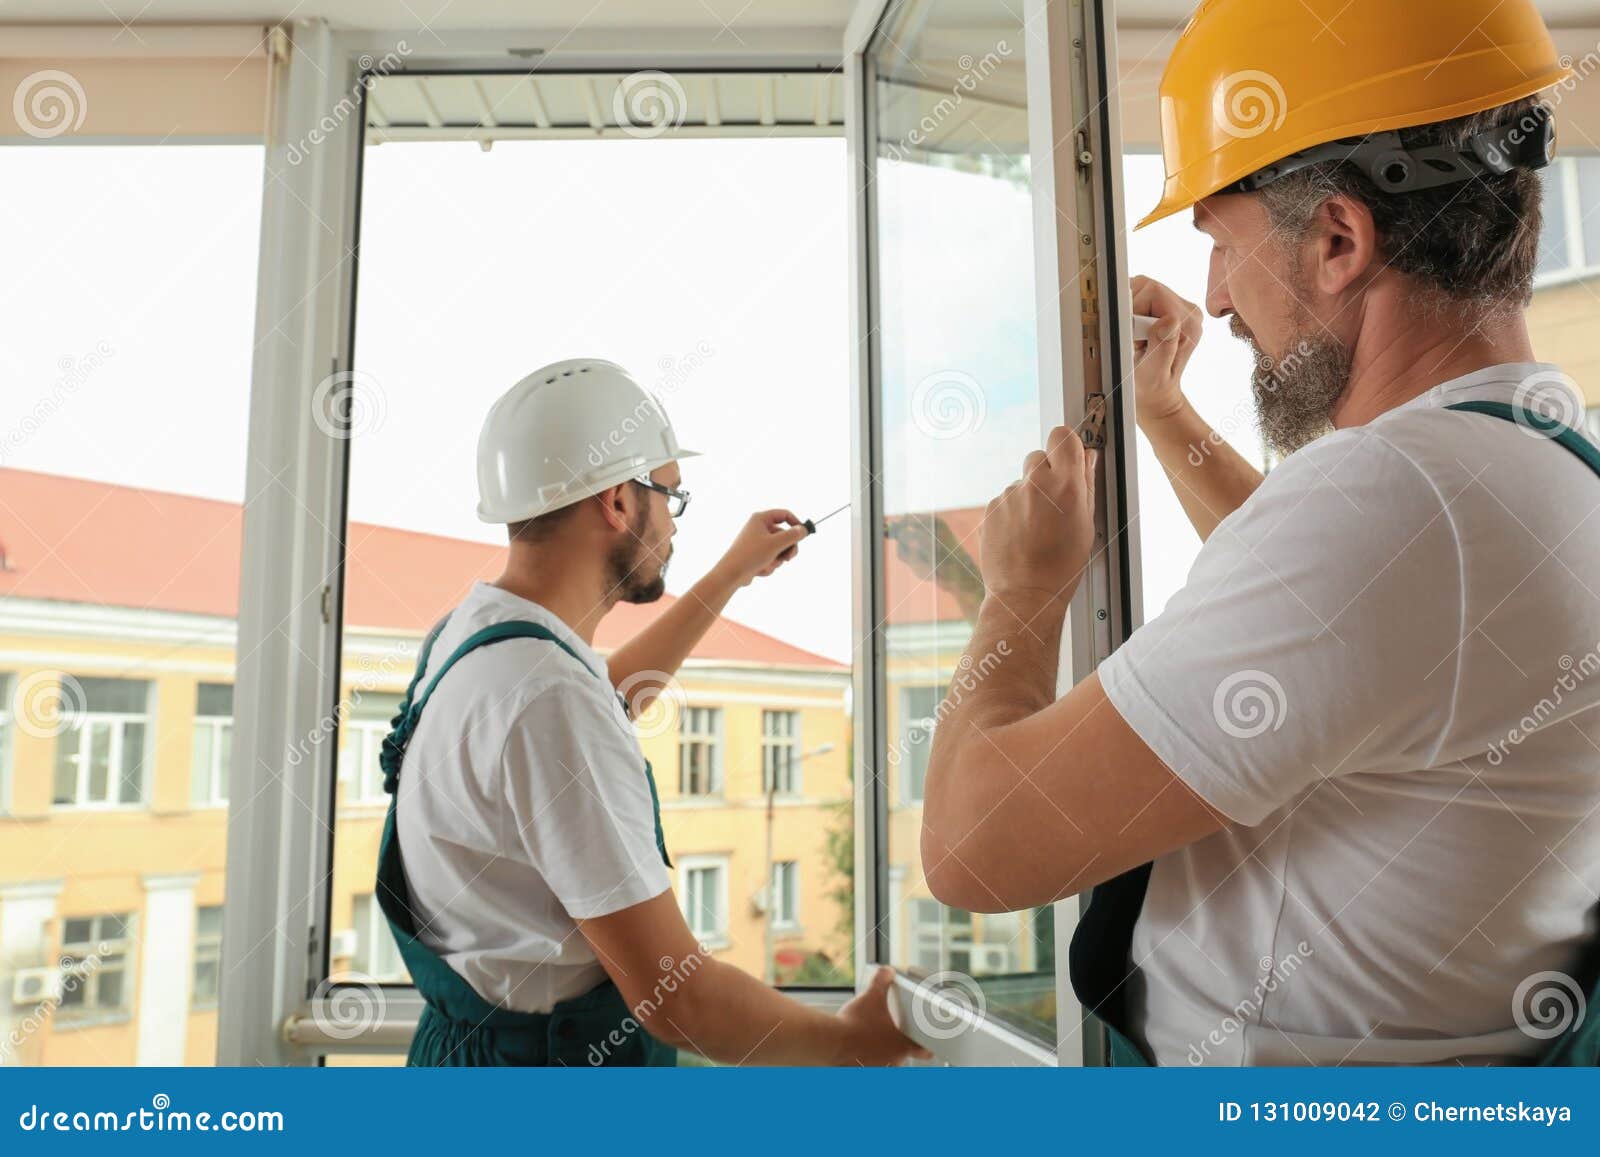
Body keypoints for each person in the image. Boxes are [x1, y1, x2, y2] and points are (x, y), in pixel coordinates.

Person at [920, 0, 1600, 1066]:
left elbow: (973, 847)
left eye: (1222, 244)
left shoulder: (1394, 504)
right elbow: (1350, 639)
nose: (1216, 299)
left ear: (1338, 237)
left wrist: (1024, 588)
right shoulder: (1535, 460)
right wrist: (1167, 416)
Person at [376, 357, 927, 1067]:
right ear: (616, 501)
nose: (673, 519)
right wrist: (851, 1042)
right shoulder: (549, 700)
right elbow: (679, 999)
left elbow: (596, 695)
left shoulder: (477, 634)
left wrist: (729, 574)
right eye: (671, 495)